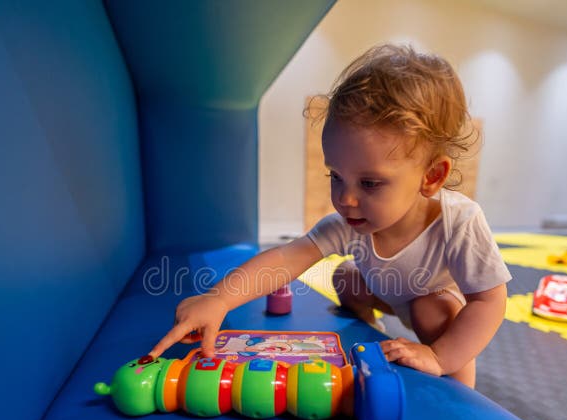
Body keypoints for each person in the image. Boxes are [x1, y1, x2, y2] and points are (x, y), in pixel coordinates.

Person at [149, 43, 511, 388]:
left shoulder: (459, 222)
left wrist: (440, 358)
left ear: (430, 177)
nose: (346, 198)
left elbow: (489, 301)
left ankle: (464, 401)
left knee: (433, 312)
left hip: (431, 300)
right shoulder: (350, 224)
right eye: (336, 176)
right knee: (346, 277)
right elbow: (287, 258)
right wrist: (219, 299)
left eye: (369, 183)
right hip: (385, 293)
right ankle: (372, 325)